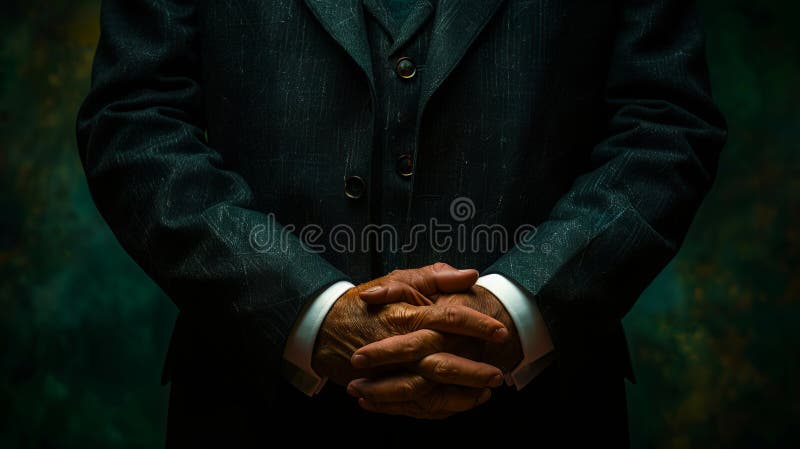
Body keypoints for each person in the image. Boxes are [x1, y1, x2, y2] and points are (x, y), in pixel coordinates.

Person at [76, 0, 726, 446]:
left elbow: (664, 123)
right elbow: (135, 120)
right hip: (249, 405)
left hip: (542, 409)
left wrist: (515, 305)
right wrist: (306, 311)